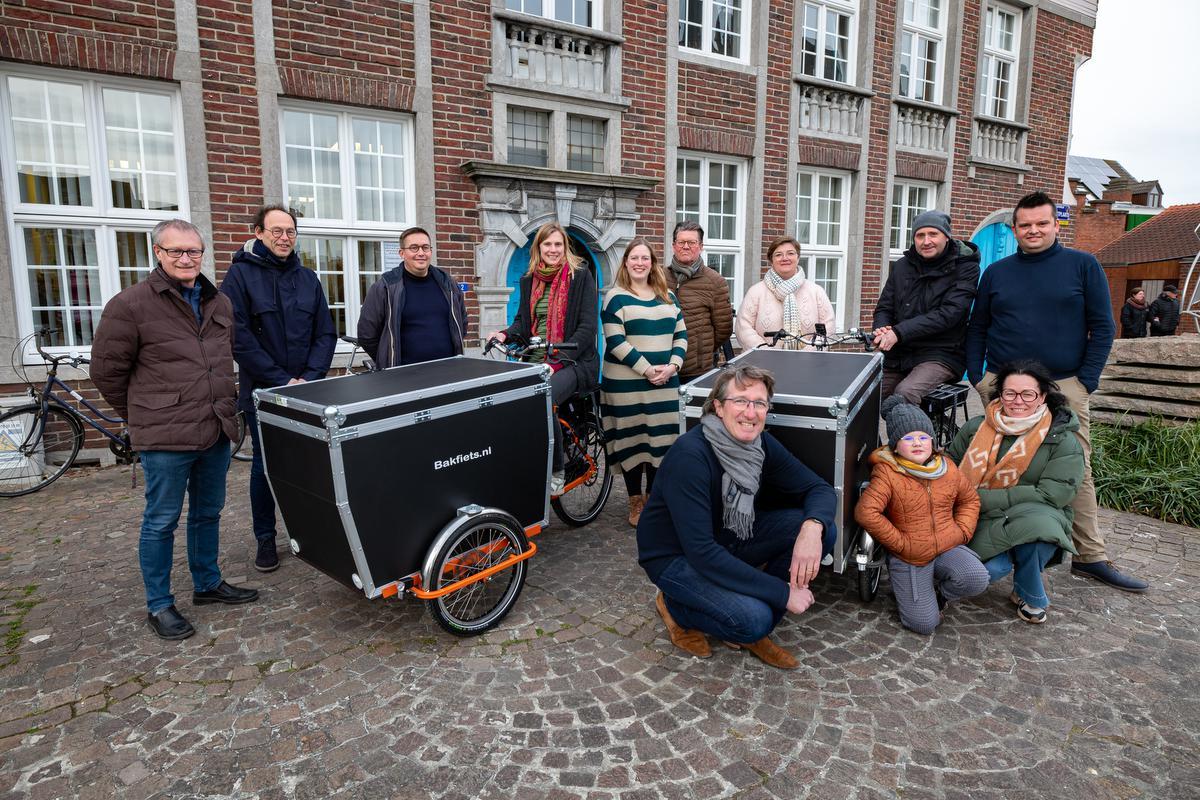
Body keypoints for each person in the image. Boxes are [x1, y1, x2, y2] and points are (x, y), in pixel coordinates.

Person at [965, 190, 1147, 593]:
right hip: (1003, 384)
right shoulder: (997, 273)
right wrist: (979, 376)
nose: (1033, 230)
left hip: (1063, 383)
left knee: (1076, 466)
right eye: (1025, 225)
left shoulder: (1083, 266)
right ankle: (996, 543)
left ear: (1055, 224)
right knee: (995, 461)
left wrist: (1086, 380)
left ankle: (1090, 555)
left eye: (1041, 223)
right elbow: (977, 327)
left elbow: (1103, 326)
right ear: (1015, 229)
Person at [91, 219, 258, 641]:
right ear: (158, 254)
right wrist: (144, 414)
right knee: (161, 521)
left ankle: (207, 583)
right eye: (176, 251)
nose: (186, 258)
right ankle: (159, 605)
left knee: (207, 513)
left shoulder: (219, 302)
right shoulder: (129, 305)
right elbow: (106, 372)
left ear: (202, 254)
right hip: (164, 436)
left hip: (215, 428)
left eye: (193, 251)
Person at [636, 364, 838, 670]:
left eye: (759, 403)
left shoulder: (759, 445)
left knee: (825, 531)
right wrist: (783, 593)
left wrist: (812, 527)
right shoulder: (690, 456)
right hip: (676, 557)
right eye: (740, 401)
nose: (750, 412)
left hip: (729, 538)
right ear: (718, 407)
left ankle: (745, 611)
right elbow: (702, 552)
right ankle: (676, 606)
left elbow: (818, 488)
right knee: (754, 621)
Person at [220, 205, 336, 573]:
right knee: (265, 467)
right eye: (276, 231)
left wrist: (310, 378)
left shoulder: (308, 278)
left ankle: (313, 531)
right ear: (258, 232)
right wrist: (282, 381)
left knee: (312, 465)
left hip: (308, 391)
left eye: (290, 231)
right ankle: (266, 539)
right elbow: (238, 338)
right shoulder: (239, 276)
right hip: (264, 393)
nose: (284, 238)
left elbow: (325, 333)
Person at [946, 361, 1085, 624]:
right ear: (1000, 394)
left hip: (1029, 516)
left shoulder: (1061, 438)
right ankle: (1005, 559)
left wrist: (978, 498)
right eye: (1010, 393)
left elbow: (1054, 495)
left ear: (1042, 396)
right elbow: (949, 471)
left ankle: (1029, 593)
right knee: (990, 571)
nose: (1018, 401)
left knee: (1039, 528)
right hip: (976, 517)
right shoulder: (976, 428)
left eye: (1028, 394)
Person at [854, 396, 987, 635]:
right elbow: (866, 512)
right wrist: (901, 544)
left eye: (923, 437)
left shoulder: (947, 468)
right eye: (908, 438)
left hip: (947, 545)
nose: (917, 443)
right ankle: (912, 591)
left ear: (932, 442)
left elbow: (970, 500)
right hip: (911, 556)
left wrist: (962, 531)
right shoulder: (887, 472)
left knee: (977, 578)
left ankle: (939, 594)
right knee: (924, 624)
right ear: (895, 446)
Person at [488, 223, 600, 493]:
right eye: (547, 244)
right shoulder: (530, 280)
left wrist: (556, 362)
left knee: (543, 396)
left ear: (565, 247)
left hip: (574, 362)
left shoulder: (580, 276)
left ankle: (556, 470)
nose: (553, 249)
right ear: (538, 248)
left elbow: (587, 329)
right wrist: (504, 334)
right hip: (536, 359)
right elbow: (522, 324)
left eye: (558, 244)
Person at [601, 239, 687, 527]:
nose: (640, 263)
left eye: (645, 258)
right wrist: (648, 370)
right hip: (626, 386)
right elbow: (615, 341)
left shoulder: (668, 297)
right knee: (633, 441)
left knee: (662, 442)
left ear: (653, 263)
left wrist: (673, 366)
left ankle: (652, 497)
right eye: (634, 258)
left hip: (665, 384)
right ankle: (634, 500)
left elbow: (681, 335)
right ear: (626, 262)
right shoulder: (615, 297)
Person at [871, 210, 980, 404]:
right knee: (866, 393)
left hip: (941, 353)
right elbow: (885, 307)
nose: (926, 241)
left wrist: (898, 332)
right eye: (920, 235)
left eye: (933, 234)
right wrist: (882, 330)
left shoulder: (965, 267)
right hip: (899, 353)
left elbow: (949, 314)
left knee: (905, 393)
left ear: (946, 236)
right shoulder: (902, 266)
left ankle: (913, 425)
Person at [357, 226, 468, 369]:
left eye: (425, 247)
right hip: (403, 375)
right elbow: (367, 335)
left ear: (431, 251)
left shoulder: (448, 284)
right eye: (414, 248)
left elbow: (462, 323)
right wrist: (387, 359)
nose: (421, 253)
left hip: (448, 370)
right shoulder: (385, 287)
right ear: (402, 253)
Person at [736, 236, 835, 350]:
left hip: (809, 359)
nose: (785, 258)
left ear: (798, 257)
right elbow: (743, 328)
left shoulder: (816, 291)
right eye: (778, 255)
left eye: (790, 253)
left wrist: (808, 353)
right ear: (771, 260)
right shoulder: (755, 292)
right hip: (764, 360)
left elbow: (828, 326)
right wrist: (766, 352)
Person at [665, 221, 733, 380]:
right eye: (681, 242)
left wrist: (701, 349)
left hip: (697, 370)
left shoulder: (715, 282)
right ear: (674, 246)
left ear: (701, 246)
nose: (686, 247)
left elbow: (723, 329)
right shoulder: (659, 278)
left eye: (692, 242)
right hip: (662, 365)